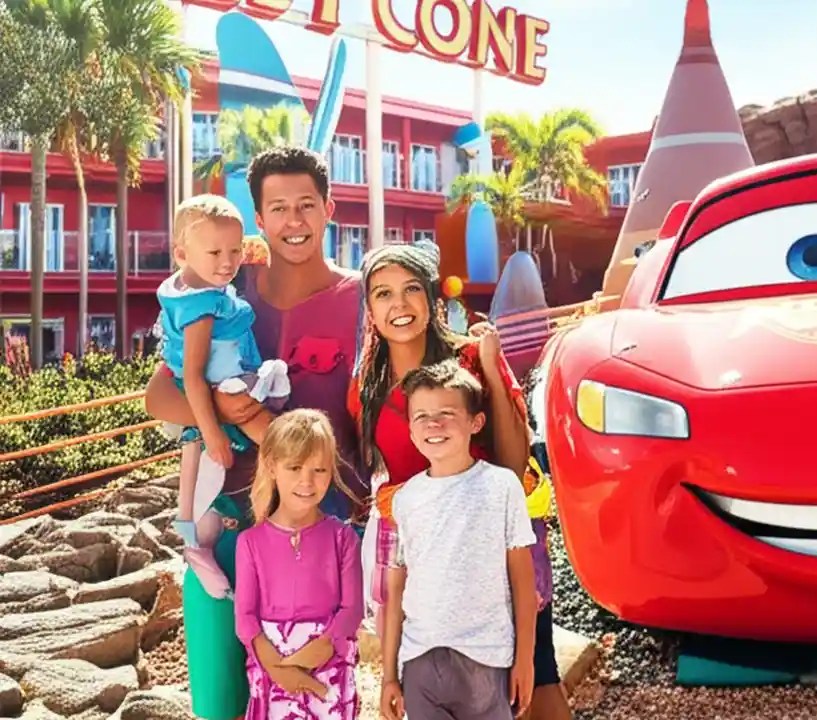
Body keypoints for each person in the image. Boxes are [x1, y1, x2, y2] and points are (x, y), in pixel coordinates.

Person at [144, 146, 368, 720]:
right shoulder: (221, 288)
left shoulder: (366, 300)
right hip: (227, 525)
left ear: (329, 210)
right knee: (219, 702)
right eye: (278, 208)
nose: (293, 221)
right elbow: (160, 395)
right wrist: (224, 409)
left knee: (310, 701)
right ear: (259, 220)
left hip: (322, 533)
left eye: (306, 206)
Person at [346, 244, 572, 719]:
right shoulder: (365, 383)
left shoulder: (469, 357)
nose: (399, 305)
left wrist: (491, 365)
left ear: (431, 297)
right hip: (433, 569)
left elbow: (513, 463)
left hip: (494, 545)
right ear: (369, 307)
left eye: (411, 290)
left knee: (534, 683)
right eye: (383, 294)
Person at [378, 361, 537, 720]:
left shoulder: (502, 487)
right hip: (420, 663)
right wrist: (389, 674)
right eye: (421, 416)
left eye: (447, 413)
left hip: (487, 659)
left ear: (475, 423)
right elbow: (395, 590)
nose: (433, 424)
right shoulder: (404, 500)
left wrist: (525, 658)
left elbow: (523, 581)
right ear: (411, 429)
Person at [157, 194, 291, 602]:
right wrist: (213, 431)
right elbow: (195, 378)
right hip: (220, 389)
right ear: (182, 253)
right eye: (215, 252)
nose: (227, 261)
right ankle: (301, 493)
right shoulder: (199, 308)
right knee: (278, 438)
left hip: (233, 379)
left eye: (235, 250)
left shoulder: (201, 287)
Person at [235, 409, 364, 719]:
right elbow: (245, 617)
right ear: (271, 466)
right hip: (271, 671)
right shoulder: (250, 543)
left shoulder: (344, 538)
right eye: (294, 467)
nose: (307, 481)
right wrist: (280, 672)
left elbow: (352, 611)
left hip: (328, 669)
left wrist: (311, 658)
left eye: (319, 470)